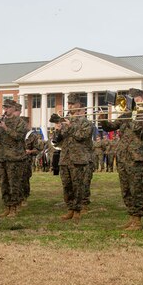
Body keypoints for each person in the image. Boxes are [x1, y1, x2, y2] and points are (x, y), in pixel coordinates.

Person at [53, 94, 93, 222]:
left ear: (79, 105)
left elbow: (82, 136)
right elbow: (56, 141)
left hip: (79, 158)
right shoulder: (65, 121)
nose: (69, 106)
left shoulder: (86, 122)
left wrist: (71, 126)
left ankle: (77, 210)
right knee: (67, 186)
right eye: (68, 104)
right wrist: (58, 130)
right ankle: (70, 209)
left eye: (72, 104)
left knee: (78, 186)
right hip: (65, 158)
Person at [0, 100, 28, 217]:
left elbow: (19, 136)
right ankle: (7, 207)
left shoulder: (20, 122)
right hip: (1, 158)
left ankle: (14, 208)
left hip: (14, 158)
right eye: (4, 107)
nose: (5, 110)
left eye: (8, 108)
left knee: (13, 184)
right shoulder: (1, 122)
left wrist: (5, 127)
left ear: (14, 108)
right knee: (3, 184)